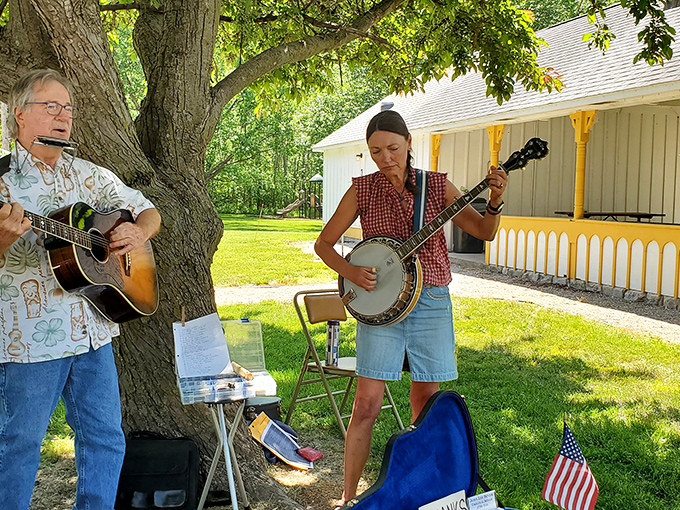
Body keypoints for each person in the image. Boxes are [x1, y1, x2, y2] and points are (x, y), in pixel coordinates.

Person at [314, 109, 507, 506]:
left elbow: (484, 231)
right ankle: (349, 498)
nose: (385, 158)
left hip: (431, 300)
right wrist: (351, 270)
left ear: (409, 144)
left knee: (427, 400)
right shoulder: (362, 190)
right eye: (376, 151)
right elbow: (324, 243)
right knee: (366, 402)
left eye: (392, 148)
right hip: (379, 306)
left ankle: (425, 493)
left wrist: (497, 199)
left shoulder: (437, 186)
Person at [0, 69, 162, 510]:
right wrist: (4, 236)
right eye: (50, 107)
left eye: (68, 108)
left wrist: (138, 235)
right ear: (20, 115)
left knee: (106, 438)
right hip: (30, 339)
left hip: (94, 330)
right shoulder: (3, 184)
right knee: (19, 444)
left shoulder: (90, 175)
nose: (63, 116)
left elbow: (148, 211)